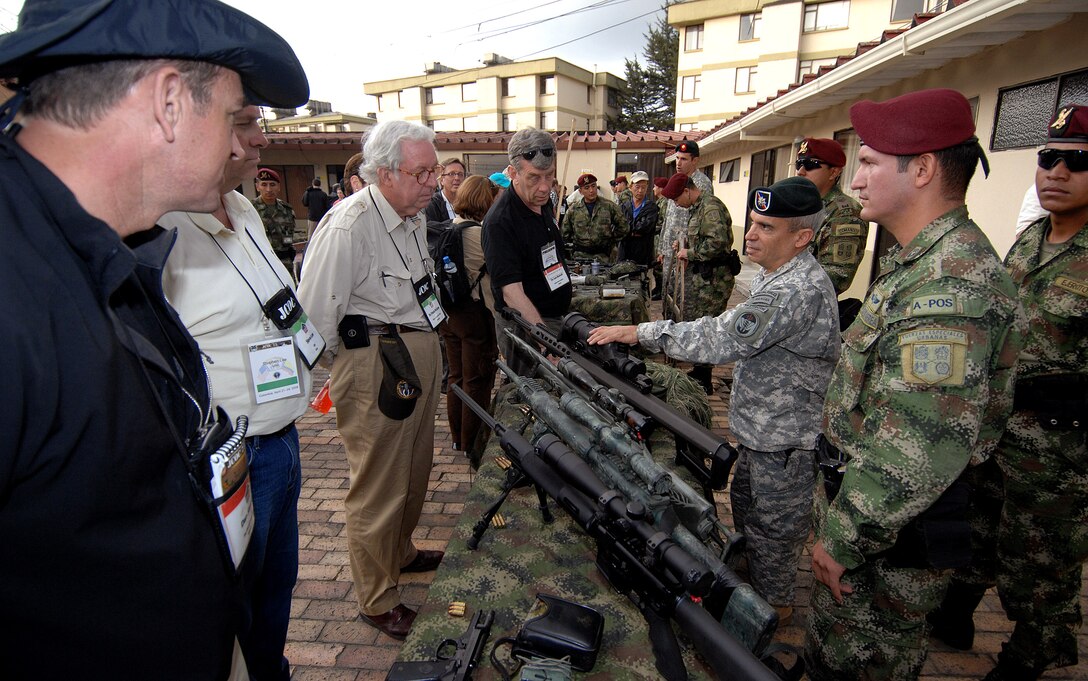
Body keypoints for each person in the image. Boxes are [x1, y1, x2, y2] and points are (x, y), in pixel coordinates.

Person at [0, 0, 308, 678]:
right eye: (231, 117)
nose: (238, 147)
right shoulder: (15, 285)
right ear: (170, 103)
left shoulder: (111, 244)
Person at [805, 88, 1024, 681]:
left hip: (886, 542)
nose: (856, 181)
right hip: (880, 525)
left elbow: (921, 445)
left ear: (922, 169)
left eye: (870, 163)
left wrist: (843, 537)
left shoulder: (948, 287)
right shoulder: (922, 262)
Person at [588, 176, 840, 623]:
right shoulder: (778, 276)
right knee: (752, 523)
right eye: (752, 223)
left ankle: (767, 622)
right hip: (764, 434)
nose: (750, 234)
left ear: (801, 238)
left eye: (765, 227)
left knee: (773, 539)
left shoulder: (795, 289)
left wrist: (640, 332)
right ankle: (754, 593)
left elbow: (723, 336)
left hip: (784, 442)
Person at [931, 104, 1088, 681]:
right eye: (1048, 158)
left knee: (1041, 562)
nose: (1056, 173)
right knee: (978, 533)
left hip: (1059, 453)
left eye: (1077, 163)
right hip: (999, 432)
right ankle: (955, 615)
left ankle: (1029, 656)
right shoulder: (1030, 241)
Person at [161, 103, 317, 681]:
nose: (261, 138)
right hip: (231, 456)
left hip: (282, 440)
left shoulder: (244, 207)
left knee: (276, 588)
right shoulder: (161, 227)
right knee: (235, 601)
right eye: (247, 122)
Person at [297, 120, 445, 641]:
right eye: (421, 173)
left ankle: (399, 551)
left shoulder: (411, 216)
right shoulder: (349, 224)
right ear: (385, 173)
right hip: (377, 360)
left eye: (434, 171)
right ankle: (377, 597)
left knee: (414, 468)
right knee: (379, 482)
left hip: (417, 349)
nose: (433, 183)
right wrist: (343, 375)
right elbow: (314, 314)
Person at [482, 127, 571, 376]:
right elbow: (511, 293)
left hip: (551, 318)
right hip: (526, 327)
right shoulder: (501, 221)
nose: (544, 187)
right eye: (534, 177)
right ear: (513, 173)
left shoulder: (541, 201)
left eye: (549, 176)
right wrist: (547, 342)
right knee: (533, 392)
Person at [440, 175, 501, 459]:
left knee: (456, 377)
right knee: (477, 379)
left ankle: (458, 438)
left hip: (451, 313)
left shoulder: (451, 227)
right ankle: (473, 442)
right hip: (476, 313)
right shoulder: (481, 234)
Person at [660, 172, 735, 393]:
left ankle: (704, 379)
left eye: (677, 199)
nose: (676, 204)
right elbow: (701, 238)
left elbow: (717, 244)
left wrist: (690, 253)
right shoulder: (697, 207)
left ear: (687, 191)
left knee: (708, 326)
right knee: (700, 322)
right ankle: (700, 371)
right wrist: (683, 245)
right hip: (703, 277)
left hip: (714, 279)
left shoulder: (710, 208)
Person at [795, 137, 869, 295]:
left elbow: (836, 277)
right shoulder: (803, 205)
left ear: (834, 172)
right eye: (798, 164)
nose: (800, 171)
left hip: (805, 303)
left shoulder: (845, 212)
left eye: (810, 164)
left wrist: (783, 286)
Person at [660, 140, 713, 310]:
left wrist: (690, 250)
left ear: (695, 160)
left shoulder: (701, 184)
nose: (678, 163)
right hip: (671, 248)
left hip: (686, 252)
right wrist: (662, 248)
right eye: (677, 158)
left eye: (683, 159)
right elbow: (668, 217)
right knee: (667, 294)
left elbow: (702, 221)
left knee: (682, 298)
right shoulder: (676, 180)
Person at [562, 172, 629, 264]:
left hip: (604, 257)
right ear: (580, 191)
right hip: (580, 257)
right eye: (587, 188)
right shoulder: (573, 210)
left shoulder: (609, 206)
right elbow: (565, 233)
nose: (591, 190)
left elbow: (624, 227)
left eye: (593, 186)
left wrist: (611, 239)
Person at [253, 167, 299, 271]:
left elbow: (289, 236)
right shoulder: (250, 209)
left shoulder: (286, 209)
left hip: (285, 263)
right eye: (264, 185)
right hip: (261, 264)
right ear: (257, 187)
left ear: (278, 187)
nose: (268, 189)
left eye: (272, 184)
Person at [618, 170, 659, 267]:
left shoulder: (651, 207)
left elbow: (645, 227)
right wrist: (632, 231)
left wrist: (628, 229)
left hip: (643, 254)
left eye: (643, 187)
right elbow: (618, 227)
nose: (640, 190)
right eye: (637, 187)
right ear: (630, 187)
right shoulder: (623, 206)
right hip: (624, 252)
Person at [426, 157, 465, 223]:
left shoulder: (468, 203)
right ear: (441, 180)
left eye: (460, 174)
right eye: (451, 174)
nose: (457, 178)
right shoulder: (432, 204)